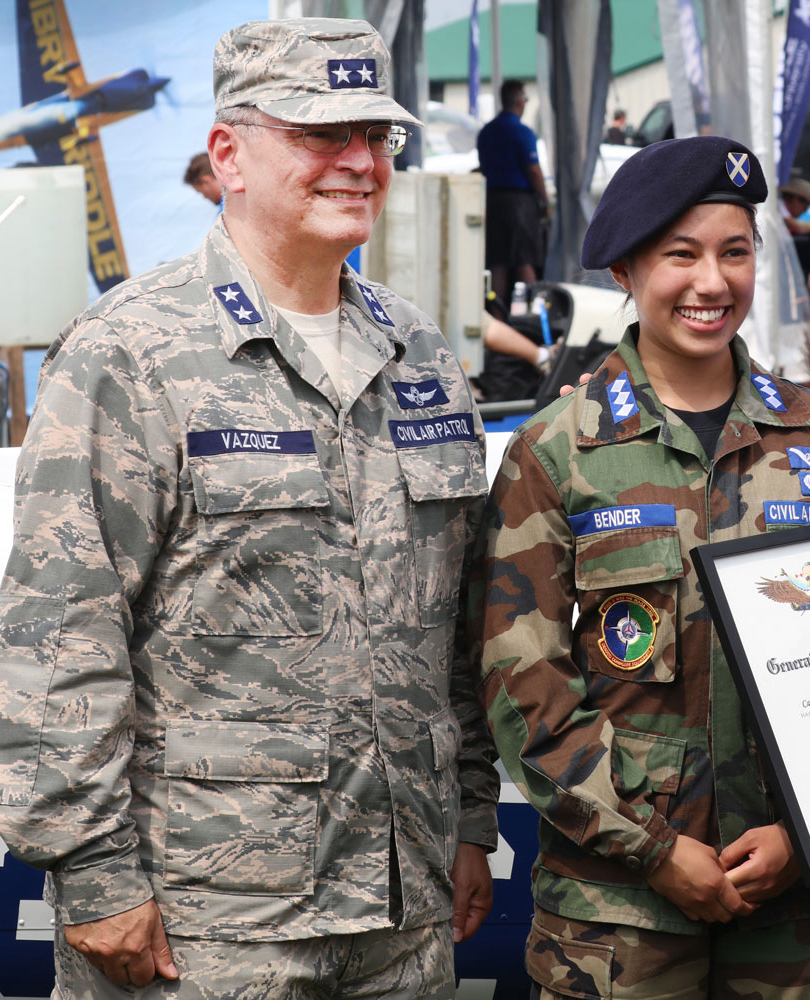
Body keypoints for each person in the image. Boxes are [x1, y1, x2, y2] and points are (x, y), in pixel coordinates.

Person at [0, 18, 498, 999]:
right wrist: (94, 873)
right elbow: (59, 634)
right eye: (321, 134)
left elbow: (457, 627)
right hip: (206, 930)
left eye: (376, 136)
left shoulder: (423, 358)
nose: (359, 161)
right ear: (228, 153)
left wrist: (472, 818)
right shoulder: (129, 355)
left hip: (402, 920)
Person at [473, 135, 810, 999]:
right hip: (617, 920)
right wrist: (652, 852)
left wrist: (806, 835)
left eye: (735, 253)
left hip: (794, 910)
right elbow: (522, 683)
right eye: (679, 255)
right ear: (624, 269)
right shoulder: (559, 450)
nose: (711, 282)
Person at [477, 80, 549, 305]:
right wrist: (545, 201)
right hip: (519, 203)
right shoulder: (522, 132)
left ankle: (498, 315)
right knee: (524, 260)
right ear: (520, 102)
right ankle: (536, 316)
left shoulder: (486, 132)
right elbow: (534, 170)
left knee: (498, 261)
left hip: (493, 200)